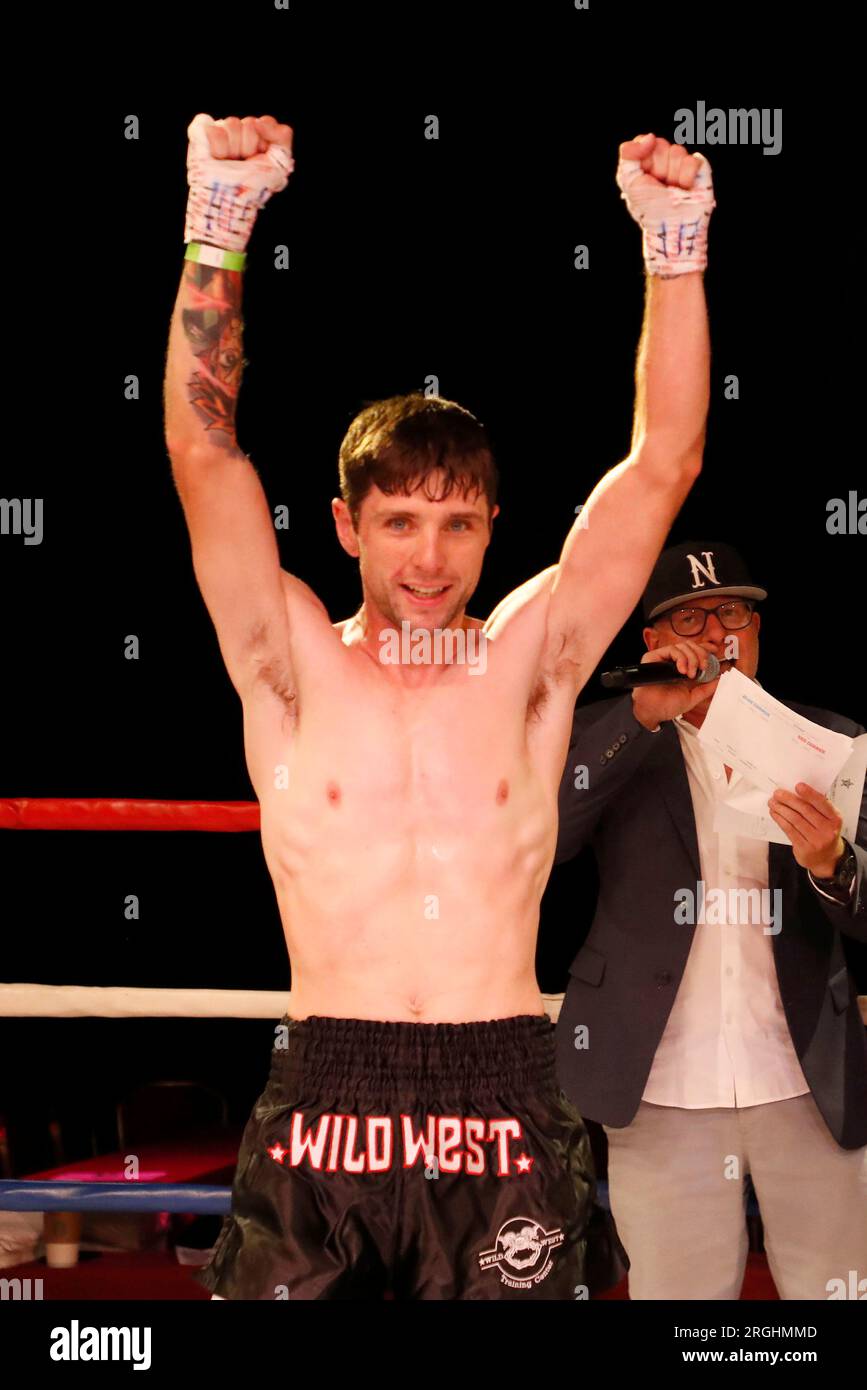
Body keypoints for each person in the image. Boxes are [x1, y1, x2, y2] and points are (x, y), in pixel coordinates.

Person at [163, 111, 714, 1299]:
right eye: (400, 521)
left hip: (504, 1091)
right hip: (323, 1101)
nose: (429, 555)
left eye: (457, 521)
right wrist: (223, 222)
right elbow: (204, 455)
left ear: (491, 531)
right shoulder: (289, 655)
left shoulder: (534, 656)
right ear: (347, 525)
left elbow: (663, 459)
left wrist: (675, 243)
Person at [554, 539, 867, 1299]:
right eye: (687, 617)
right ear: (654, 643)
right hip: (660, 1082)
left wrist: (831, 864)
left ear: (755, 631)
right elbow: (540, 845)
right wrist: (639, 717)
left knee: (837, 1295)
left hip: (809, 1078)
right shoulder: (604, 736)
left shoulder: (832, 741)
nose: (714, 633)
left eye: (730, 612)